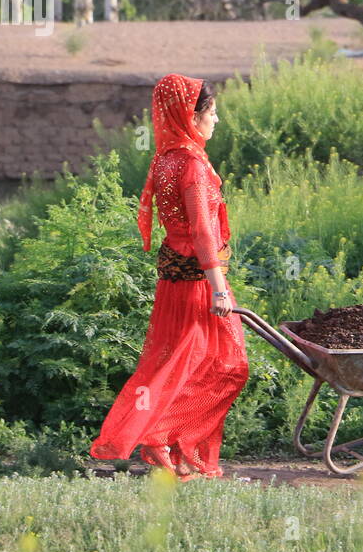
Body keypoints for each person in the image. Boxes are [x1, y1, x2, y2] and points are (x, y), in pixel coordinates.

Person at [90, 73, 249, 481]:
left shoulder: (166, 158)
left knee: (177, 363)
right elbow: (201, 232)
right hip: (199, 281)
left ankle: (171, 448)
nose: (217, 121)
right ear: (191, 117)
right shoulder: (192, 165)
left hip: (174, 280)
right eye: (212, 113)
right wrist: (218, 290)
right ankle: (161, 437)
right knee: (226, 364)